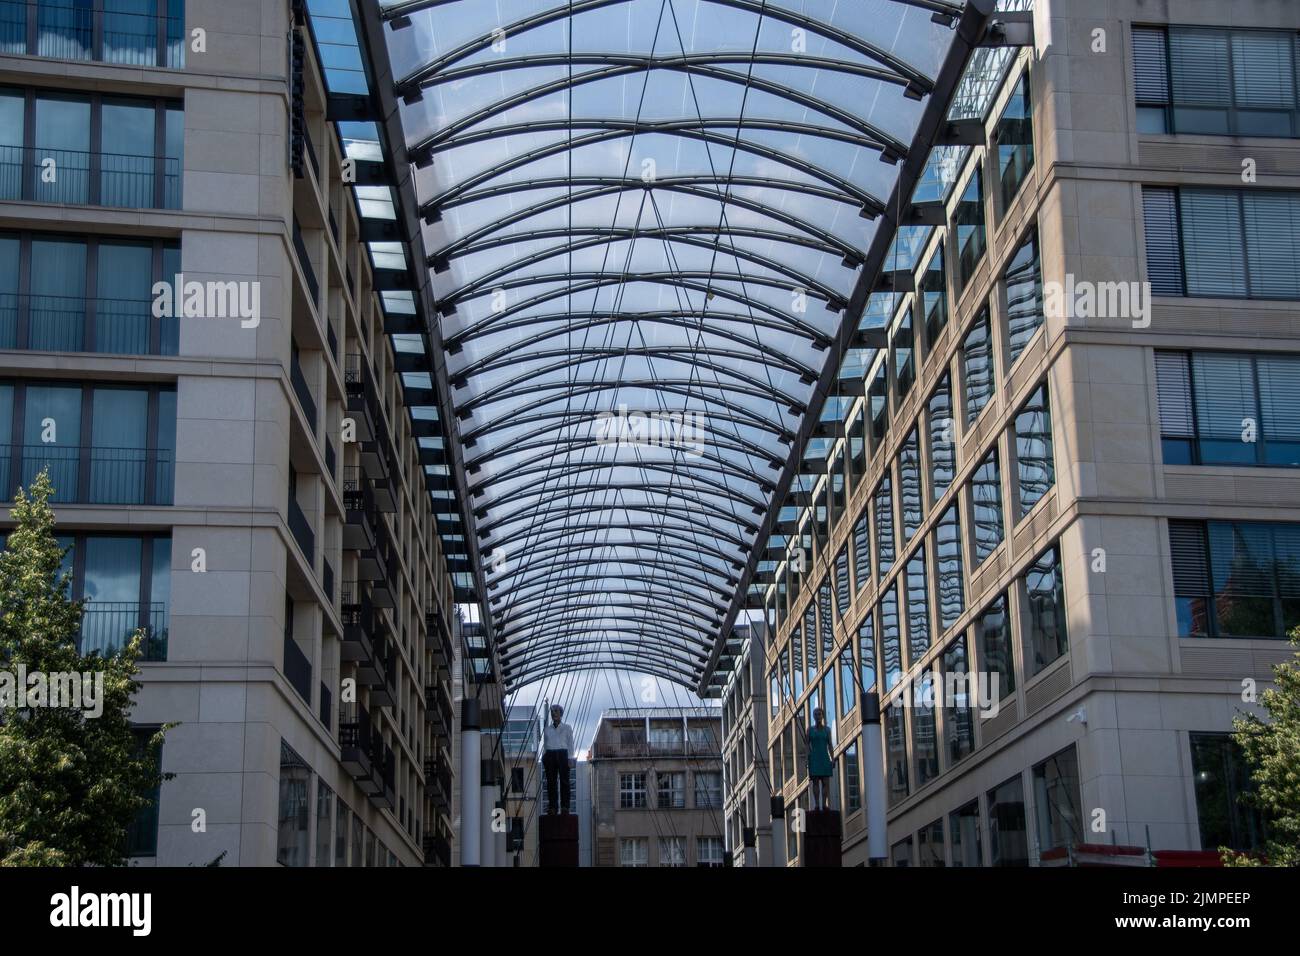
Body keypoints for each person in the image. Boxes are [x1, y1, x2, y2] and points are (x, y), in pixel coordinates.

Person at [542, 704, 575, 815]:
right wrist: (544, 756)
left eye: (556, 711)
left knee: (564, 782)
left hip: (563, 753)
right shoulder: (547, 730)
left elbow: (570, 744)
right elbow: (545, 745)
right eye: (552, 712)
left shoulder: (567, 728)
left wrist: (570, 758)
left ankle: (565, 806)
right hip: (550, 754)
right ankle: (553, 807)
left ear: (561, 713)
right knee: (551, 782)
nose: (554, 713)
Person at [807, 707, 833, 811]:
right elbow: (806, 744)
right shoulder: (810, 730)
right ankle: (817, 804)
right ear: (813, 716)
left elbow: (830, 745)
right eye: (816, 714)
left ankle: (824, 804)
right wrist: (806, 759)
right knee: (815, 782)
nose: (818, 716)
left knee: (826, 782)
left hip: (824, 757)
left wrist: (833, 758)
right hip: (814, 757)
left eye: (819, 714)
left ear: (822, 716)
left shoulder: (827, 730)